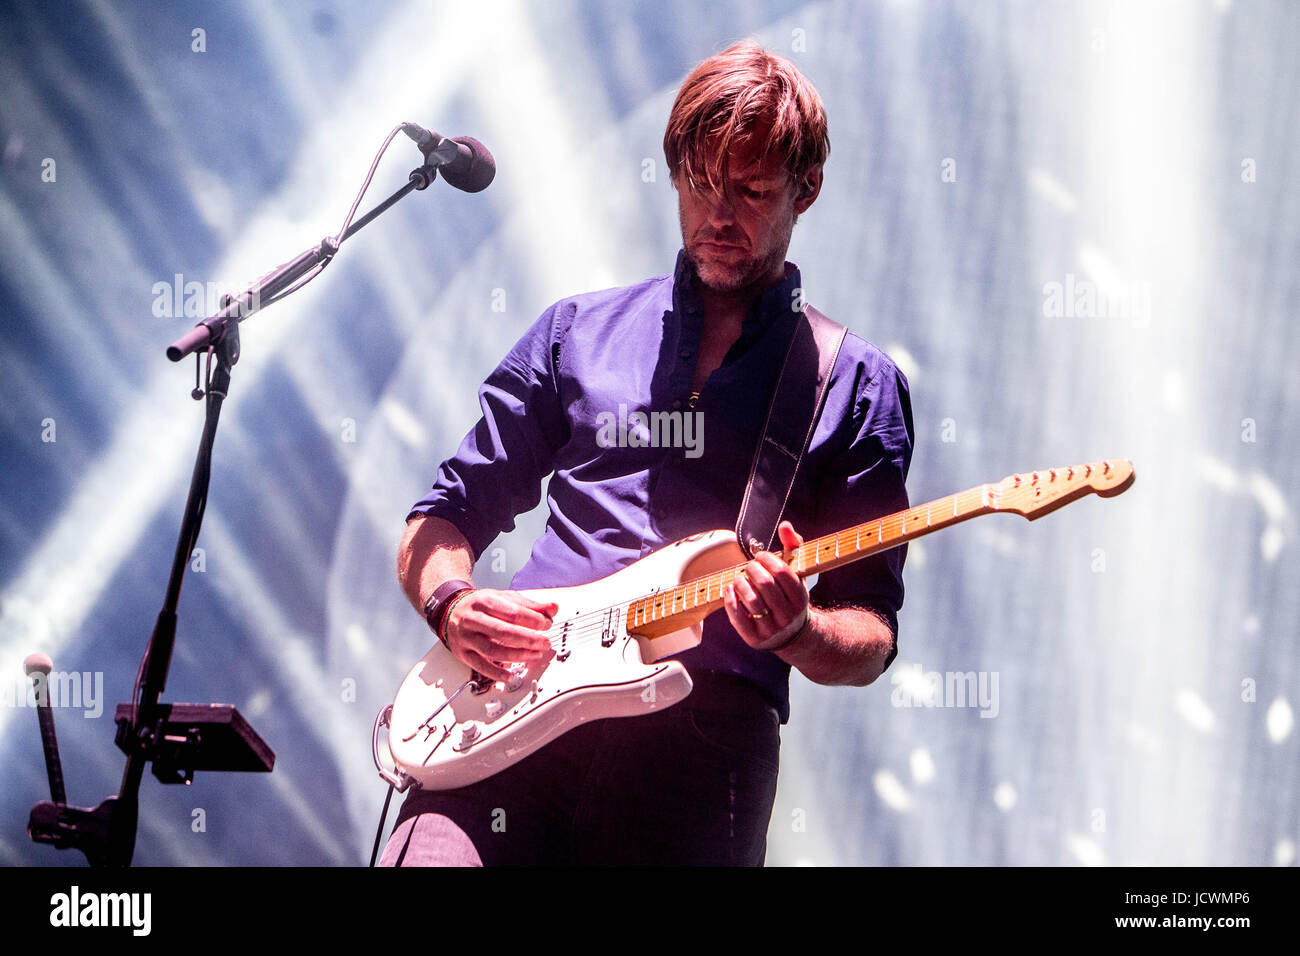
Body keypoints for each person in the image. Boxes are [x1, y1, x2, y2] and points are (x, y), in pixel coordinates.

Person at [379, 42, 913, 866]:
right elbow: (443, 518)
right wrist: (451, 602)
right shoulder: (575, 332)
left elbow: (870, 635)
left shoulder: (854, 382)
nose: (720, 216)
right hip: (503, 720)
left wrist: (800, 630)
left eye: (751, 190)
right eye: (700, 186)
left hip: (697, 756)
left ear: (805, 190)